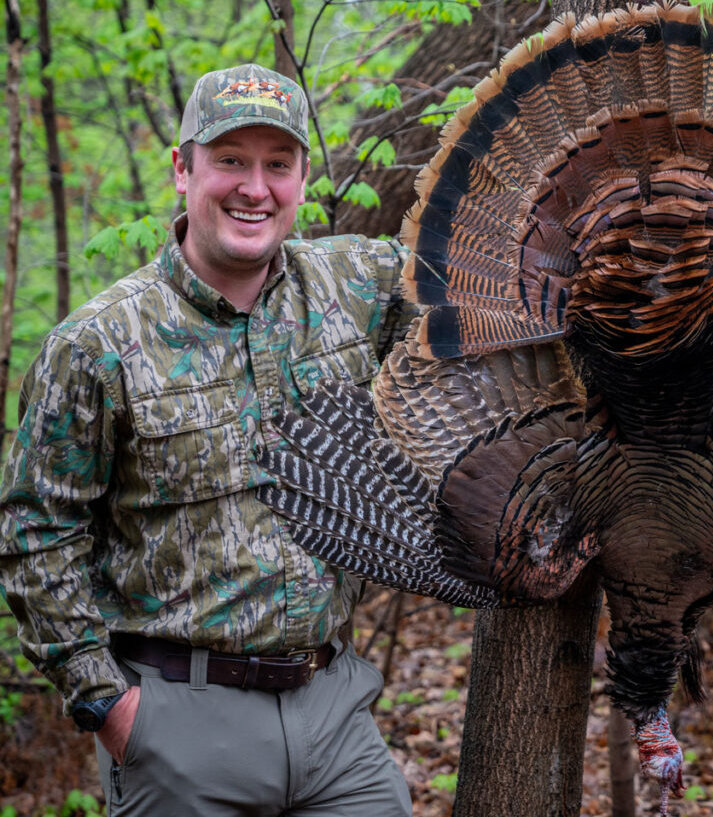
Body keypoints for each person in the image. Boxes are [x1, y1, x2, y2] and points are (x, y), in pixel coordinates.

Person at [0, 64, 416, 816]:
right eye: (230, 160)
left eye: (276, 165)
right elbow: (35, 531)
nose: (254, 188)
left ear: (301, 177)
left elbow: (486, 286)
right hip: (178, 726)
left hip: (337, 719)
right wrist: (110, 706)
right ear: (182, 168)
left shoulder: (358, 287)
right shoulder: (99, 344)